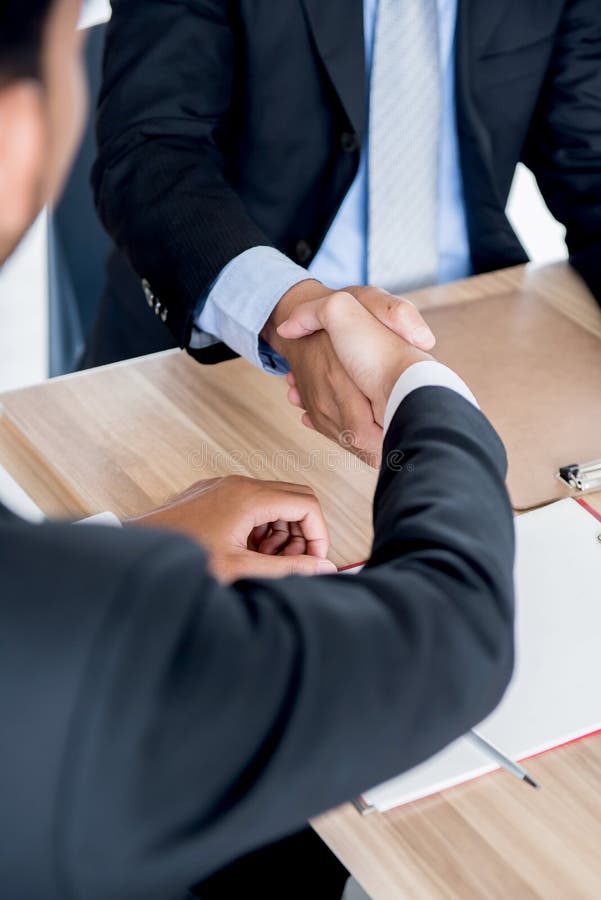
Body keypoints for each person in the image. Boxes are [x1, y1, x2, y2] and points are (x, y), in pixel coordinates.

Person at [0, 1, 515, 898]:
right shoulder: (64, 633)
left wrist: (140, 547)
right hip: (208, 386)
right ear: (16, 137)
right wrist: (422, 392)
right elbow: (447, 638)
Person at [88, 0, 601, 462]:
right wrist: (291, 311)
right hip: (227, 348)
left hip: (477, 334)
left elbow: (590, 158)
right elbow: (149, 150)